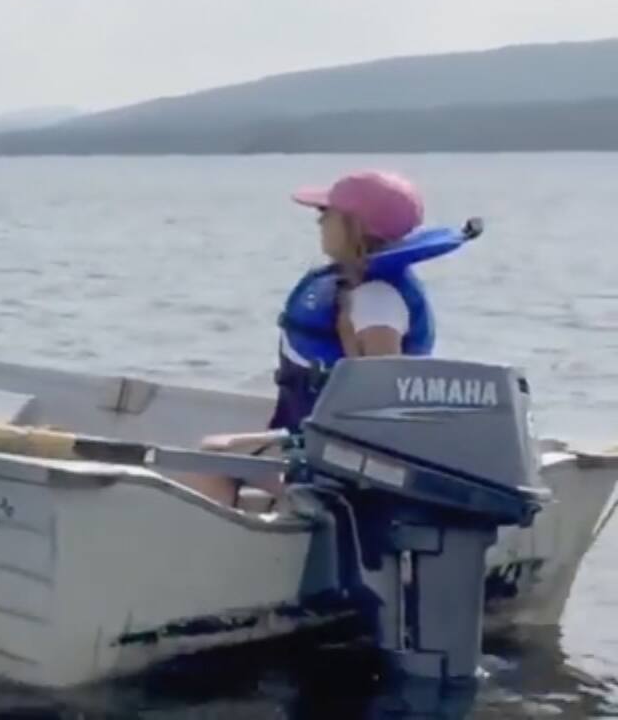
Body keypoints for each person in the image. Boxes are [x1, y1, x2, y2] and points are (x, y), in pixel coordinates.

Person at [182, 169, 476, 506]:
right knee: (221, 452)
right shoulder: (358, 288)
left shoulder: (376, 299)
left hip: (351, 463)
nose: (319, 221)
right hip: (328, 443)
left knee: (213, 457)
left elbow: (385, 400)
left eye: (327, 212)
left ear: (355, 226)